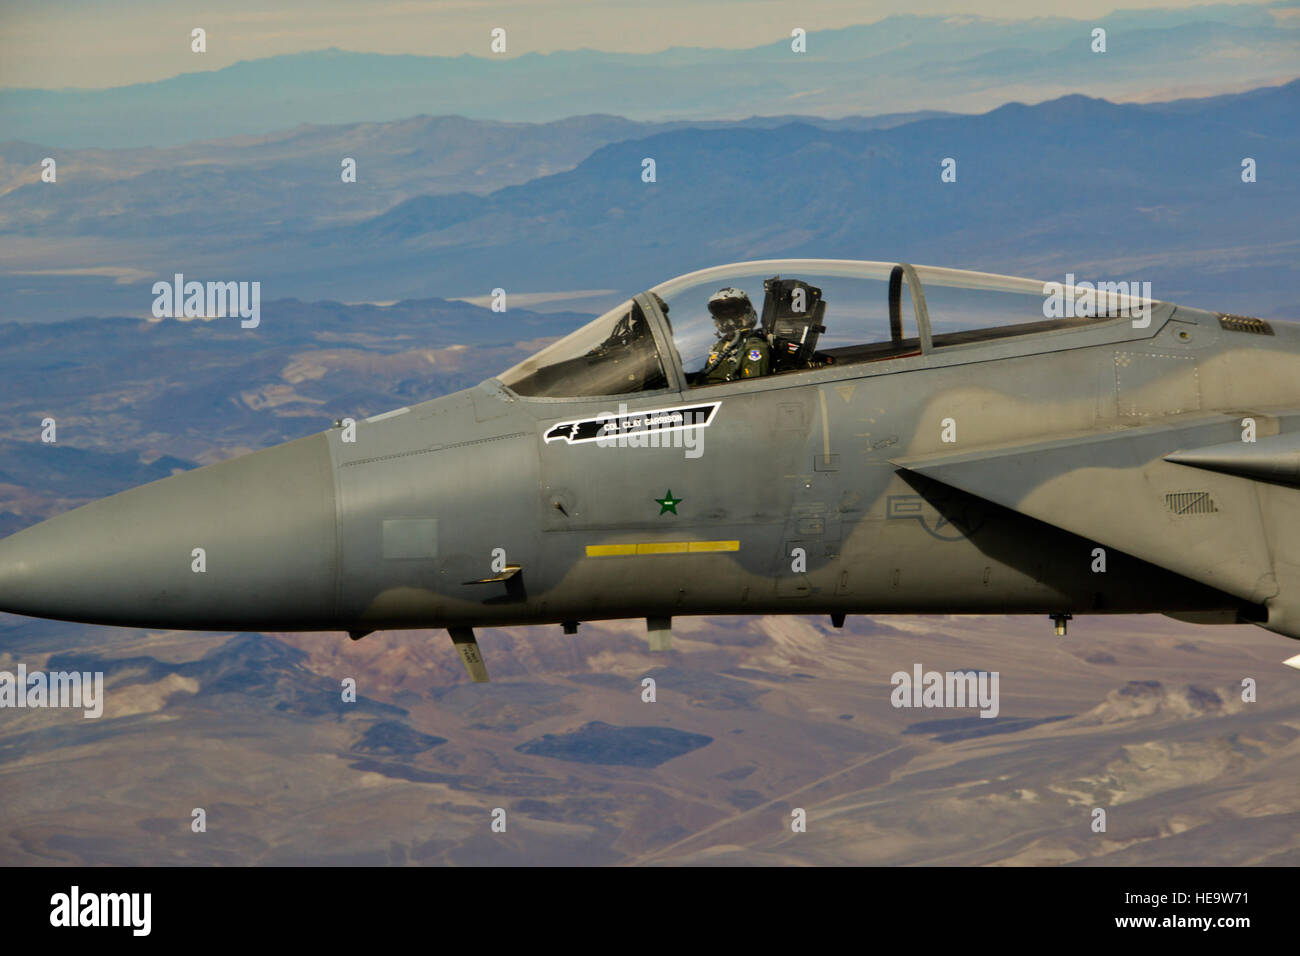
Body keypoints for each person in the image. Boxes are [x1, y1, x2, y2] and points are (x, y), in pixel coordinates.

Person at [699, 287, 769, 384]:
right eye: (720, 312)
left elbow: (752, 388)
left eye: (733, 311)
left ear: (746, 311)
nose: (727, 317)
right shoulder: (721, 345)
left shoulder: (753, 346)